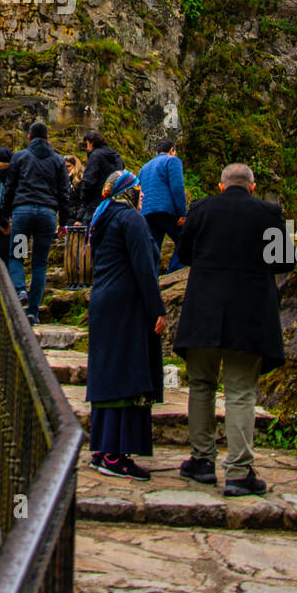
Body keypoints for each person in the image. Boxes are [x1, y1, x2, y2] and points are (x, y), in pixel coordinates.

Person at [173, 163, 290, 497]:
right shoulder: (268, 213)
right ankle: (239, 472)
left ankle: (202, 461)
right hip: (250, 316)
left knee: (201, 385)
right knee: (240, 392)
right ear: (252, 187)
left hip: (203, 312)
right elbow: (284, 261)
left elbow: (184, 254)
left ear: (221, 186)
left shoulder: (202, 209)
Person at [86, 170, 167, 480]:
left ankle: (102, 447)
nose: (142, 194)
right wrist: (157, 308)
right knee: (125, 374)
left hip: (105, 301)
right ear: (126, 192)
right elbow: (145, 267)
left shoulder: (101, 218)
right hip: (126, 304)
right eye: (138, 189)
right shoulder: (131, 220)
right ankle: (114, 453)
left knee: (109, 373)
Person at [3, 123, 70, 325]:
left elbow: (10, 188)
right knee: (40, 263)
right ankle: (33, 312)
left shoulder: (20, 157)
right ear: (48, 138)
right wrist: (63, 222)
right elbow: (64, 193)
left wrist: (5, 216)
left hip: (23, 214)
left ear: (29, 137)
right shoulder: (58, 161)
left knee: (18, 255)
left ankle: (21, 288)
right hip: (46, 216)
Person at [138, 139, 187, 273]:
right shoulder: (172, 161)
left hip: (147, 211)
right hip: (165, 209)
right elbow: (177, 188)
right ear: (172, 150)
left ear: (156, 152)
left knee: (152, 248)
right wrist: (182, 213)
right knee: (185, 239)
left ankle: (149, 277)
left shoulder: (144, 167)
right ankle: (174, 271)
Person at [79, 130, 125, 227]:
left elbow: (88, 181)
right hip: (115, 201)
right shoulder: (117, 157)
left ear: (91, 143)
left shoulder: (96, 156)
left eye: (87, 144)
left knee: (89, 233)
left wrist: (84, 199)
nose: (87, 148)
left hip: (96, 202)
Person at [63, 154, 85, 224]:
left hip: (77, 217)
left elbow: (84, 200)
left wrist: (79, 218)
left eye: (68, 166)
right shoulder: (65, 180)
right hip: (68, 216)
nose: (66, 169)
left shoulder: (80, 180)